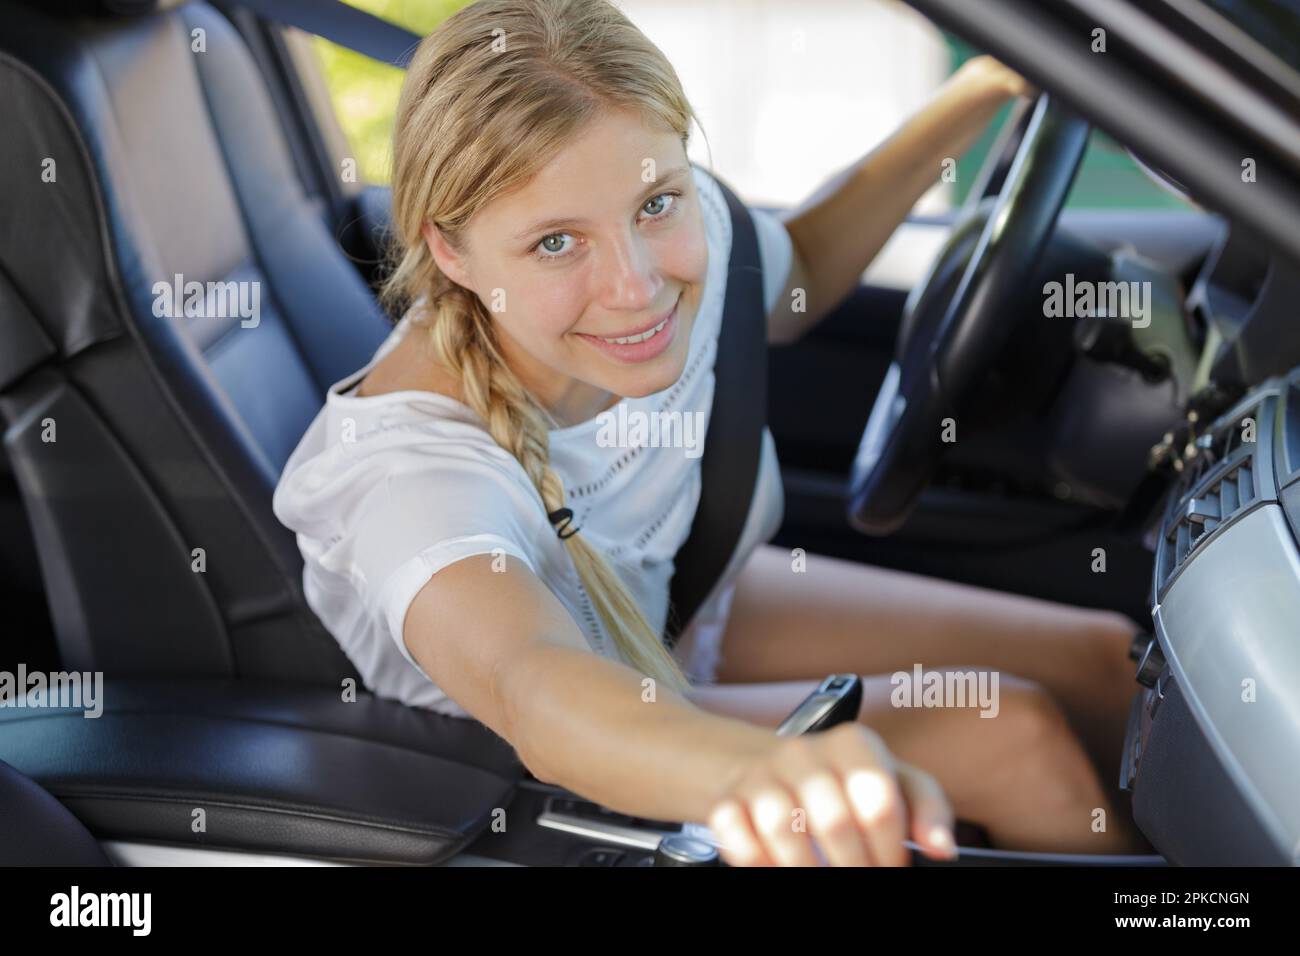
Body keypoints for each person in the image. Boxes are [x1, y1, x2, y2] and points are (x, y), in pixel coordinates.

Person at [273, 0, 1148, 866]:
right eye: (553, 244)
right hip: (564, 768)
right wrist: (764, 776)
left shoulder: (681, 246)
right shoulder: (410, 480)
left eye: (657, 202)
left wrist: (984, 86)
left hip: (689, 613)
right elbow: (534, 688)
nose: (637, 286)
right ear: (451, 252)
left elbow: (798, 265)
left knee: (1112, 664)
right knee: (1015, 736)